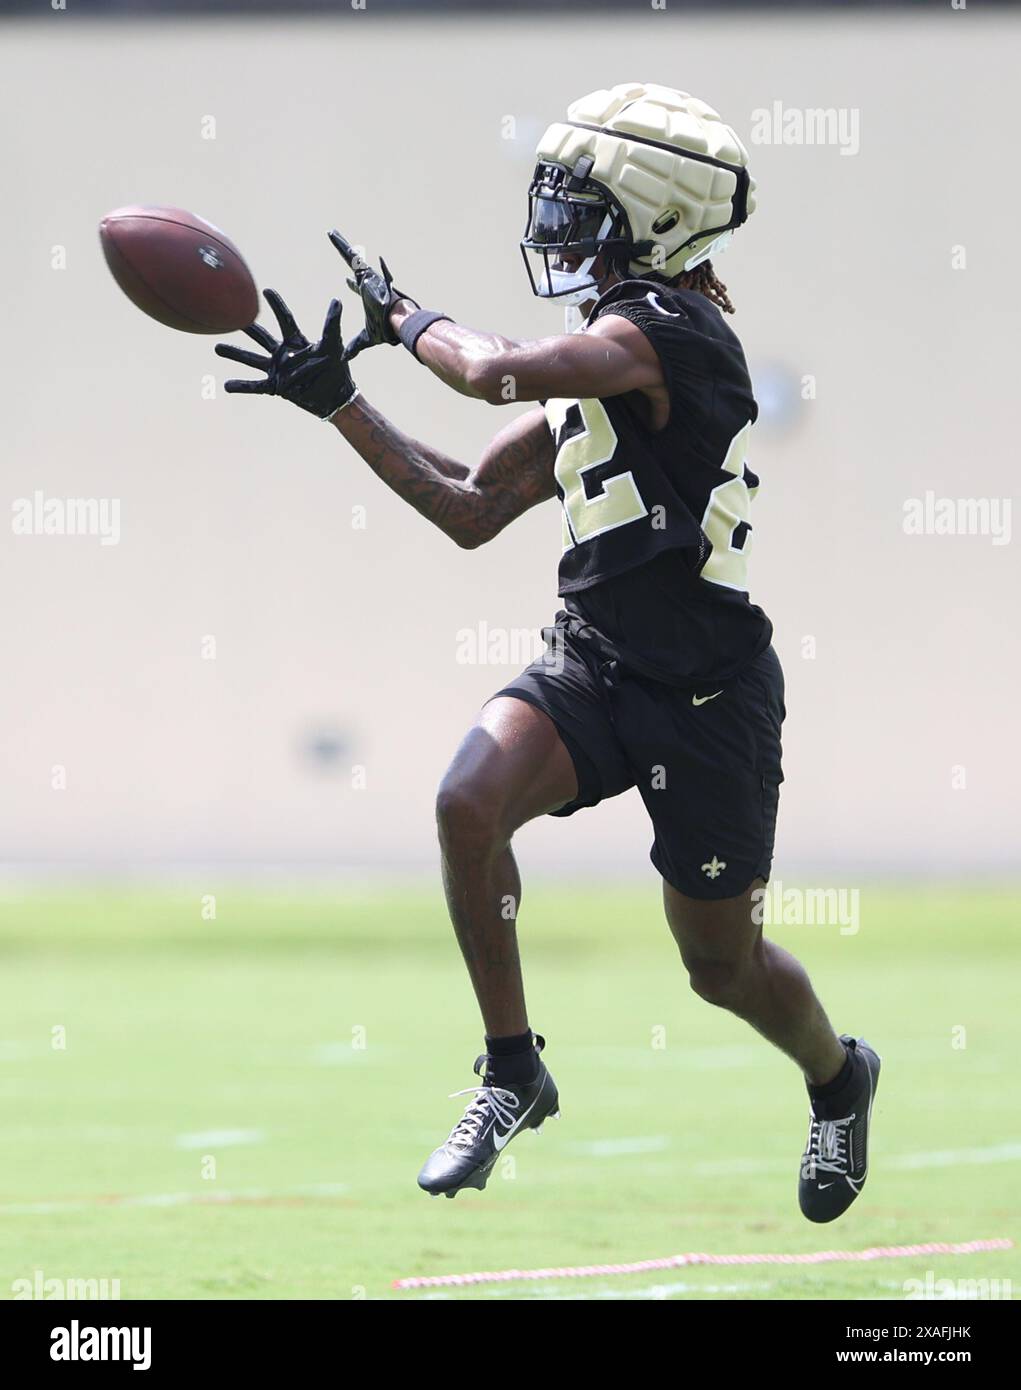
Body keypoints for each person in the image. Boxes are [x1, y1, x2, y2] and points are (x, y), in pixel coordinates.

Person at [215, 83, 880, 1223]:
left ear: (655, 216)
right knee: (468, 803)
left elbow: (484, 370)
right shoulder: (600, 351)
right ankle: (514, 1069)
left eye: (582, 201)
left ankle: (837, 1074)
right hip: (592, 666)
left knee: (720, 969)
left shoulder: (666, 336)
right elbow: (470, 505)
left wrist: (406, 317)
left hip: (710, 699)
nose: (558, 222)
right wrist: (339, 403)